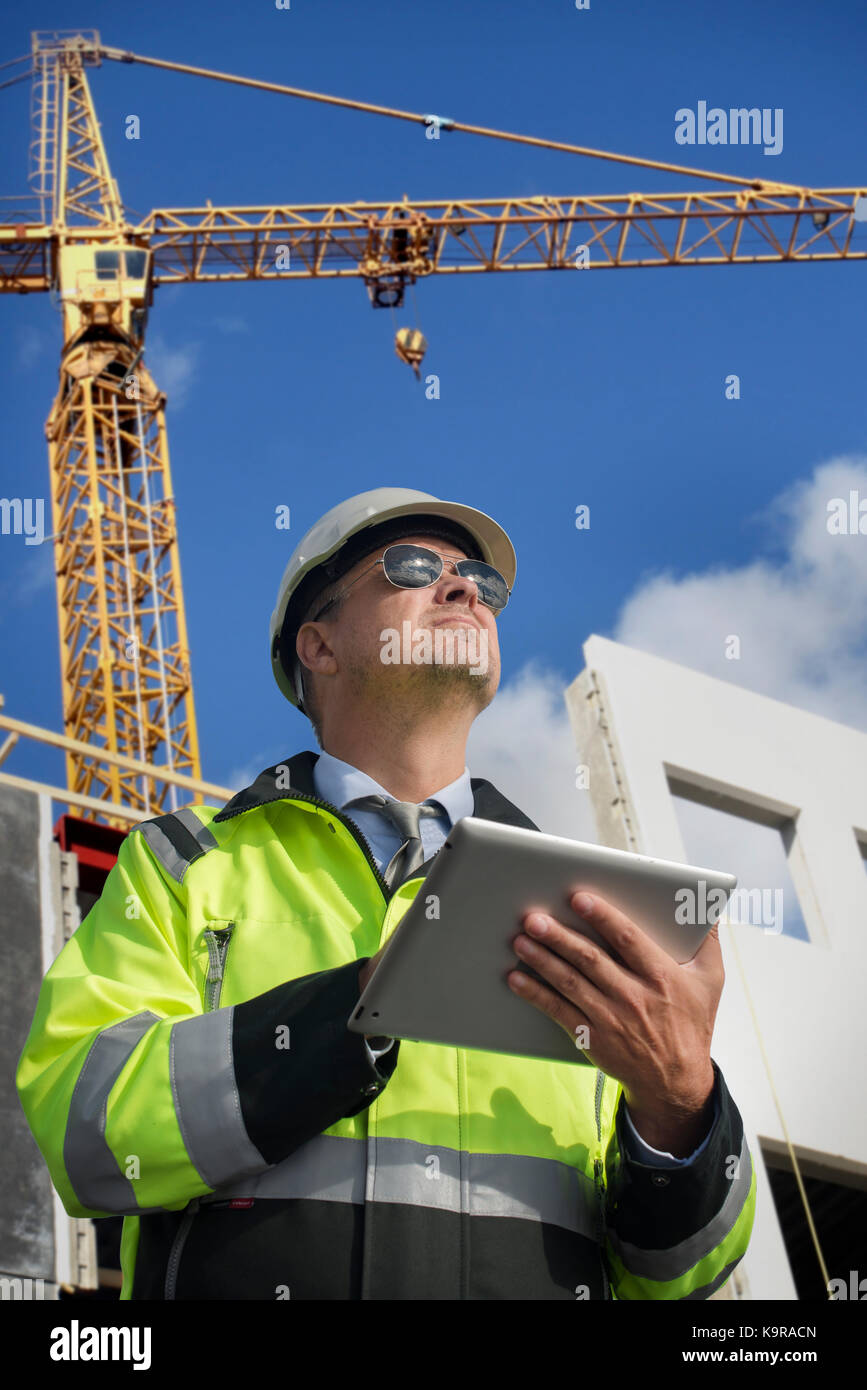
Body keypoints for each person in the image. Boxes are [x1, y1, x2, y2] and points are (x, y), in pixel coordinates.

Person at [16, 486, 755, 1300]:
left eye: (480, 580)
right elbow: (80, 1128)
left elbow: (683, 1280)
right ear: (320, 645)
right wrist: (348, 1017)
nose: (466, 587)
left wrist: (682, 1111)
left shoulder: (585, 910)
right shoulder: (186, 861)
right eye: (412, 568)